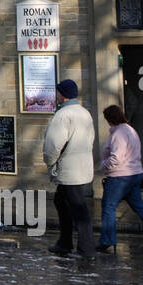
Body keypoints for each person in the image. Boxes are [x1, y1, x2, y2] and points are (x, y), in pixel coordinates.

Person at [98, 105, 143, 254]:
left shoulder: (119, 134)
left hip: (119, 177)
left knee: (108, 208)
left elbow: (116, 158)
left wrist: (103, 166)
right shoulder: (131, 130)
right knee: (140, 207)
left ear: (110, 119)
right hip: (135, 174)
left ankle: (107, 241)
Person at [42, 79, 96, 259]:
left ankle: (86, 249)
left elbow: (53, 145)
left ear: (62, 95)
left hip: (69, 169)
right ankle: (64, 243)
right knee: (61, 202)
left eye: (57, 92)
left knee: (79, 209)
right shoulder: (84, 113)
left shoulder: (63, 115)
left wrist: (49, 161)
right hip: (82, 167)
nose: (56, 95)